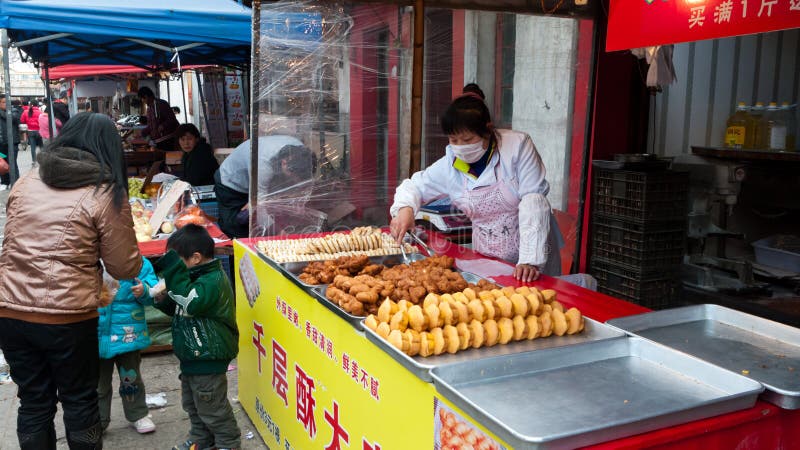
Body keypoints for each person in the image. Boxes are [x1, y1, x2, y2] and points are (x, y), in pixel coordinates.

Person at [0, 112, 143, 450]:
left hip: (9, 310)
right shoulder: (104, 191)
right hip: (66, 317)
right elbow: (125, 267)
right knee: (79, 399)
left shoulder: (28, 180)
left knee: (34, 401)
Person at [390, 83, 561, 282]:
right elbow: (415, 186)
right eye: (454, 140)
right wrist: (406, 210)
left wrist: (530, 260)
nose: (460, 147)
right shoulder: (450, 164)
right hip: (488, 257)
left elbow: (534, 200)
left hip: (533, 257)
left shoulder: (517, 147)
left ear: (487, 131)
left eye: (467, 139)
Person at [153, 224, 240, 450]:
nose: (174, 269)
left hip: (209, 355)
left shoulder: (212, 281)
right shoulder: (192, 278)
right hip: (193, 355)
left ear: (195, 258)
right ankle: (201, 439)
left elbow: (192, 303)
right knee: (192, 404)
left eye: (176, 260)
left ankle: (228, 443)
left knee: (213, 407)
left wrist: (172, 272)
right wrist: (162, 299)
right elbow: (179, 307)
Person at [97, 257, 158, 435]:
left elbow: (151, 287)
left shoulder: (134, 260)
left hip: (127, 333)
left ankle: (137, 414)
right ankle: (98, 419)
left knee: (130, 378)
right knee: (98, 384)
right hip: (97, 333)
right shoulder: (87, 256)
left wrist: (144, 290)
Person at [213, 136, 315, 238]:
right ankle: (237, 250)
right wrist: (280, 233)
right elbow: (259, 209)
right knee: (236, 226)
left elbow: (304, 186)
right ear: (284, 163)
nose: (292, 183)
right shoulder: (263, 165)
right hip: (231, 183)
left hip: (259, 181)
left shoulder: (302, 152)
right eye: (292, 178)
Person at [138, 86, 179, 151]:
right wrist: (143, 132)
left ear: (146, 96)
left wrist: (163, 126)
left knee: (168, 158)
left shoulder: (162, 104)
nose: (143, 101)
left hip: (168, 140)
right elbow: (151, 126)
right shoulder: (149, 109)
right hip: (158, 142)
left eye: (142, 99)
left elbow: (172, 119)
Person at [0, 95, 21, 189]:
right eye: (3, 102)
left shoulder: (14, 111)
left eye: (7, 102)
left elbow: (10, 118)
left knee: (12, 162)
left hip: (12, 143)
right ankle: (5, 182)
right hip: (1, 144)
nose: (6, 104)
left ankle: (16, 182)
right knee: (2, 162)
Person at [21, 100, 42, 166]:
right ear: (37, 105)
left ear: (30, 105)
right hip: (39, 131)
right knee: (41, 146)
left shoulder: (25, 112)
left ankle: (34, 161)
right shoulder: (40, 112)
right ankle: (43, 159)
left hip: (30, 131)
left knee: (33, 147)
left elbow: (22, 120)